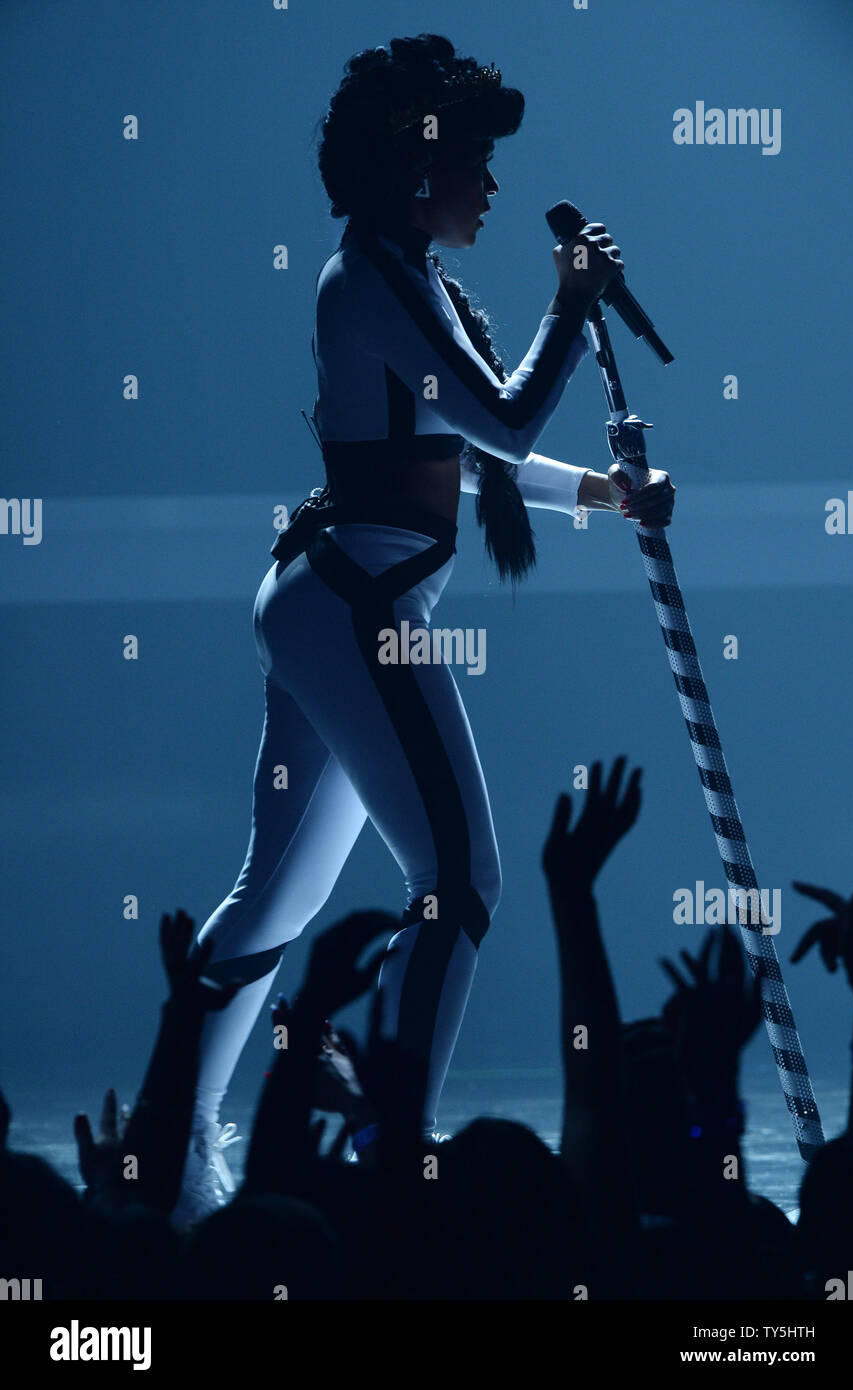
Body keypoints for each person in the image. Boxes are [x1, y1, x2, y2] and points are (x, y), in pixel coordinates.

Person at [174, 33, 676, 1223]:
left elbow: (470, 454)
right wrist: (568, 305)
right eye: (480, 165)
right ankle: (399, 1148)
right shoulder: (367, 280)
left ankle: (181, 1146)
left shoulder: (402, 279)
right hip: (356, 613)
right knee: (460, 878)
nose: (494, 189)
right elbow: (497, 427)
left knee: (278, 900)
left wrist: (611, 495)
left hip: (326, 607)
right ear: (420, 167)